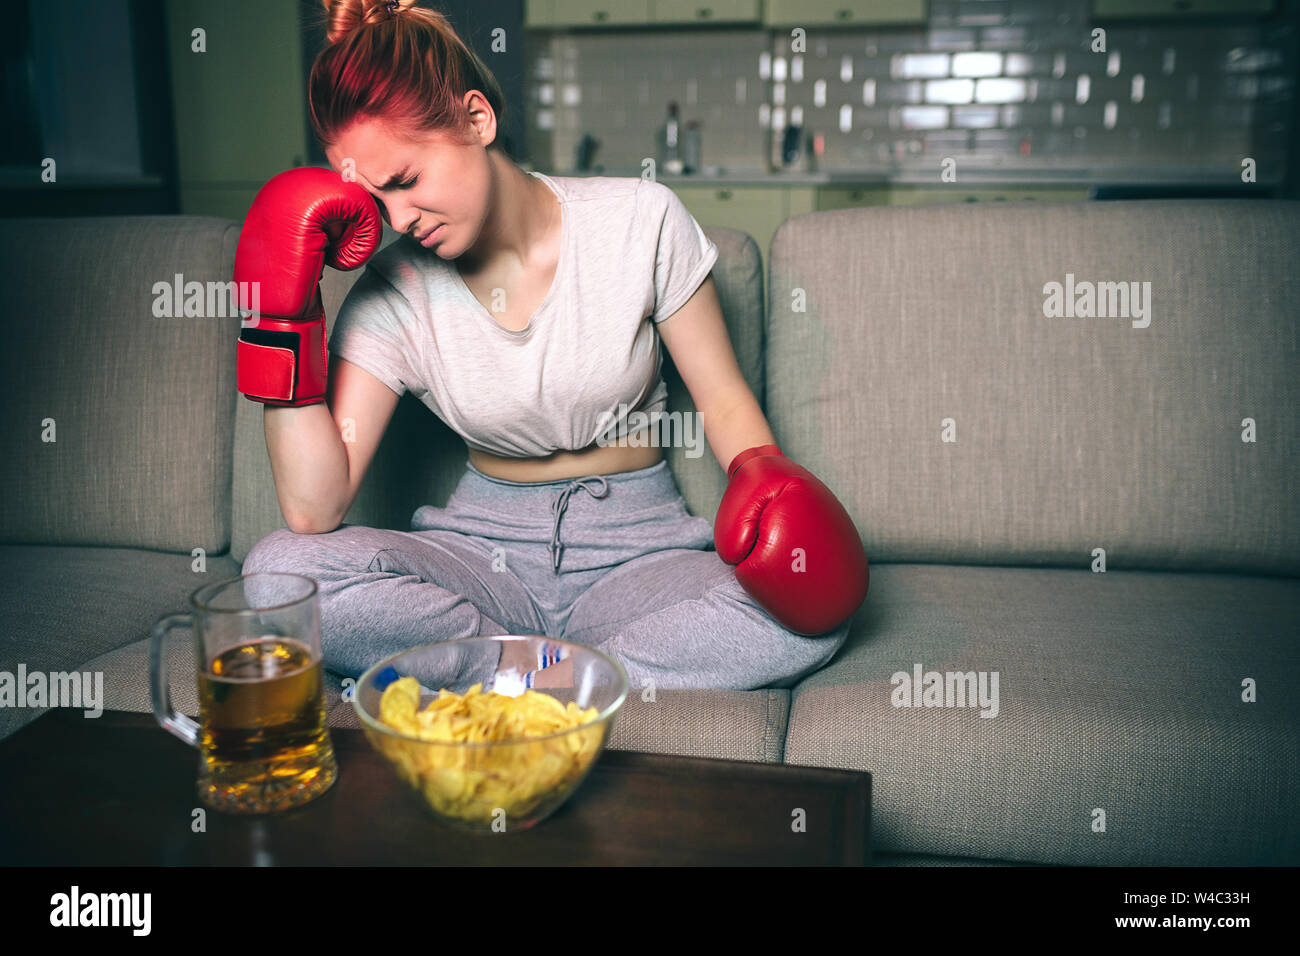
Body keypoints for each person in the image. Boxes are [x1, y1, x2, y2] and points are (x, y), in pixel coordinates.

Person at [238, 0, 867, 693]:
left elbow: (721, 399)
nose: (399, 219)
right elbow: (315, 510)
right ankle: (562, 680)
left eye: (406, 182)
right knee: (278, 575)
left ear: (477, 118)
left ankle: (525, 682)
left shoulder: (639, 220)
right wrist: (281, 322)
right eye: (376, 202)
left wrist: (761, 471)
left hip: (639, 556)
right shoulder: (395, 289)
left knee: (804, 613)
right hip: (480, 562)